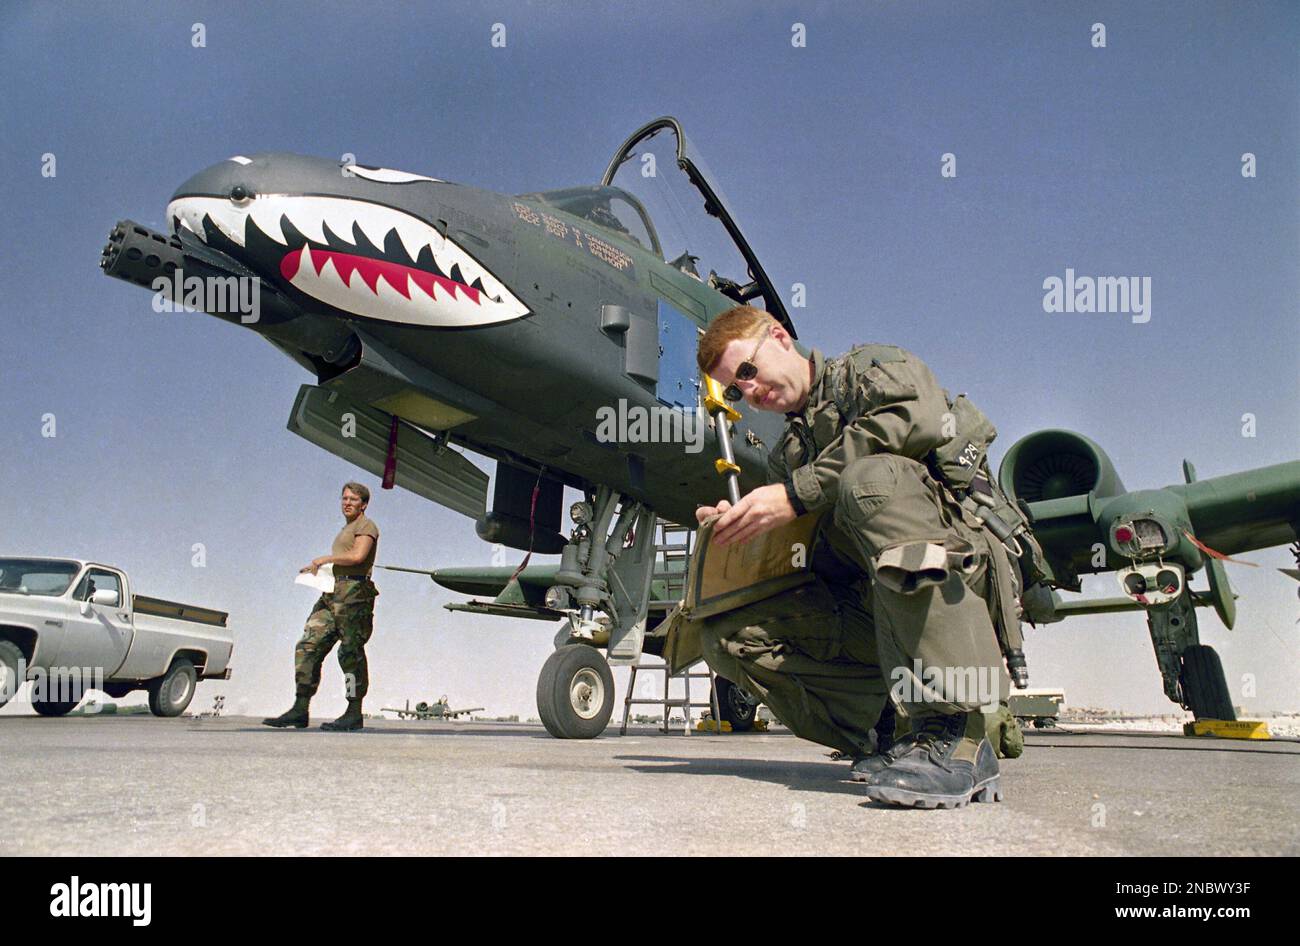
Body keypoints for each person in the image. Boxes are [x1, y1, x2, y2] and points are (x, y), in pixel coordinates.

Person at [696, 306, 1024, 808]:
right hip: (878, 602)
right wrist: (739, 528)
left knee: (868, 482)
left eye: (747, 370)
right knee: (727, 633)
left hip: (959, 565)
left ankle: (960, 732)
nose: (751, 392)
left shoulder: (867, 370)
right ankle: (887, 733)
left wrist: (795, 493)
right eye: (738, 390)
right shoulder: (791, 452)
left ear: (780, 338)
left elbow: (917, 416)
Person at [263, 482, 380, 732]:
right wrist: (320, 569)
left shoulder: (366, 526)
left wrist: (325, 558)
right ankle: (300, 708)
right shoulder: (347, 528)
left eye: (353, 499)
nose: (347, 503)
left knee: (350, 652)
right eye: (344, 498)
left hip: (354, 594)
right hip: (333, 591)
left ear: (364, 505)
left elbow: (358, 557)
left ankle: (353, 711)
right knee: (308, 645)